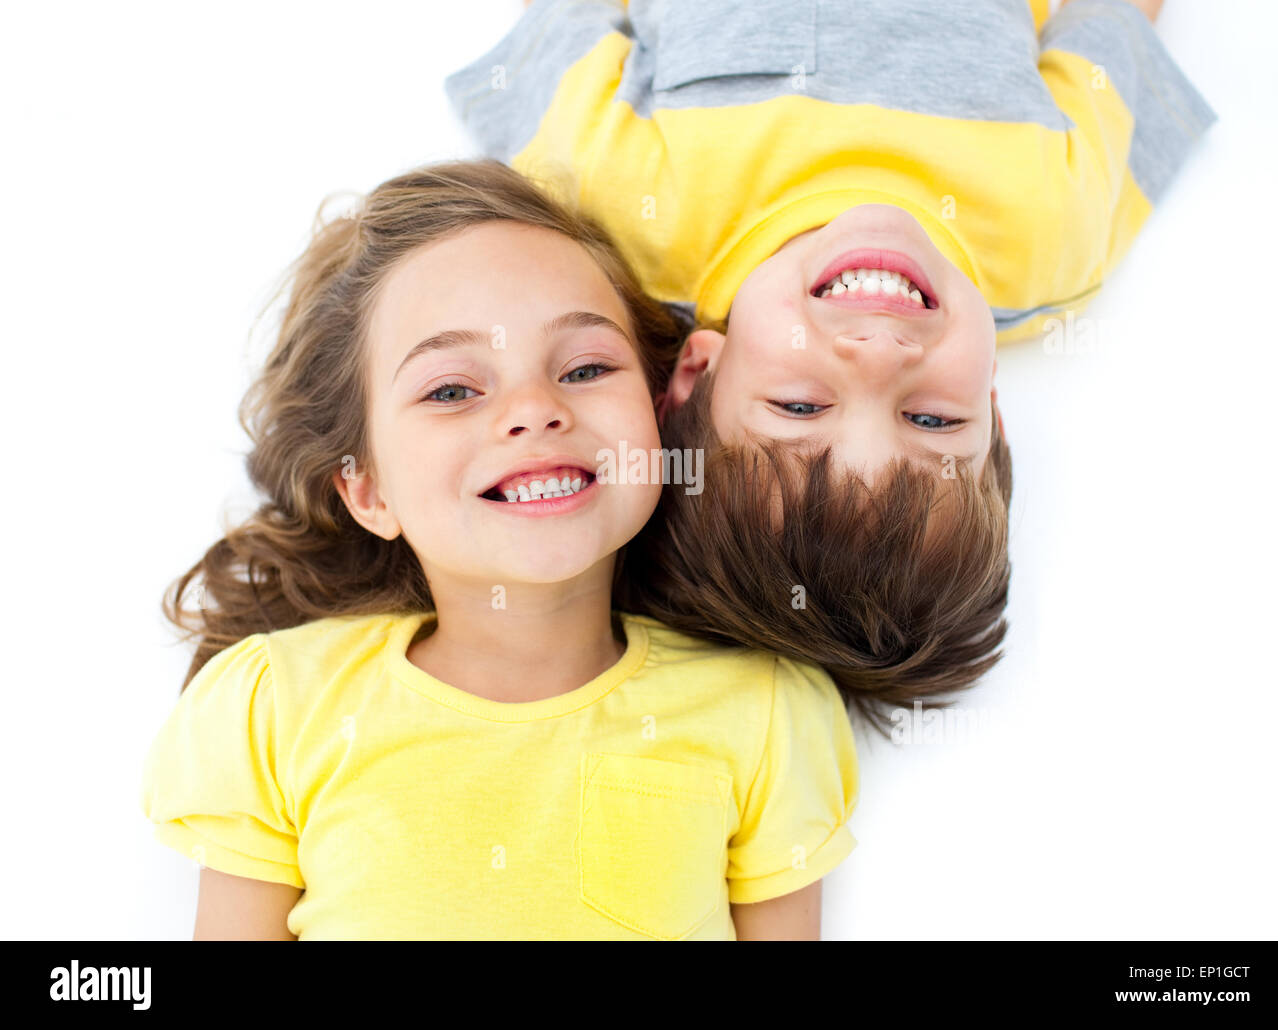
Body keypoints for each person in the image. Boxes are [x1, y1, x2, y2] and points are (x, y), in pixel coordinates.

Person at [140, 159, 858, 940]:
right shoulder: (274, 709)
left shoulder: (766, 713)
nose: (534, 410)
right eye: (452, 390)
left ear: (657, 415)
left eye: (585, 367)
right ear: (368, 489)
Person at [442, 0, 1216, 724]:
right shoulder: (1056, 234)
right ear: (992, 407)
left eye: (801, 408)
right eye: (932, 419)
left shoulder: (621, 206)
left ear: (695, 373)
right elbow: (1113, 25)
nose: (878, 354)